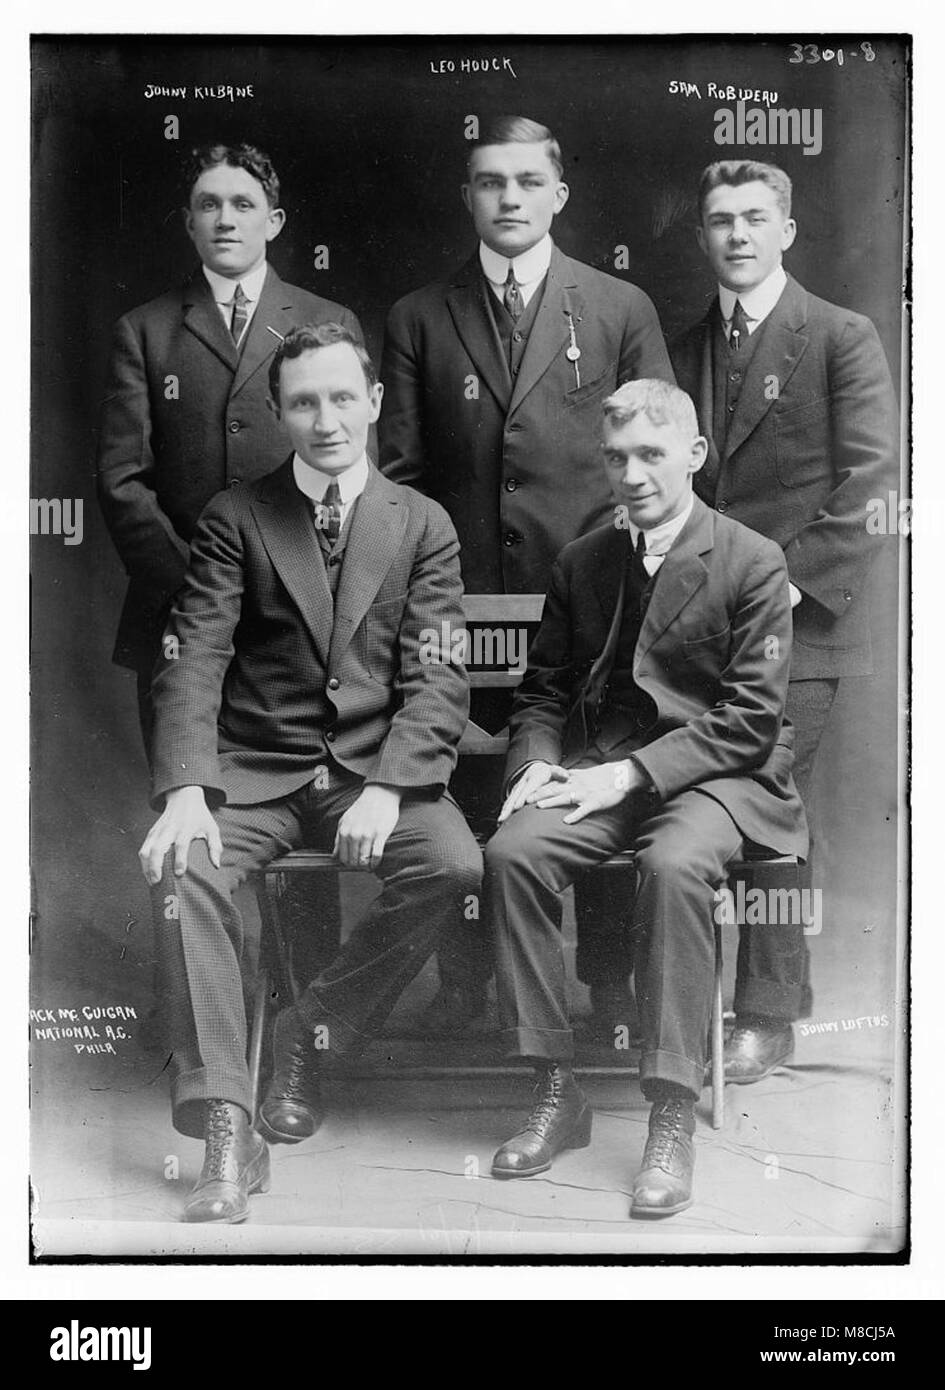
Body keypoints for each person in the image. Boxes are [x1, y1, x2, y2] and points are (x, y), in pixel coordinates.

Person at [137, 324, 481, 1223]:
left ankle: (306, 1035)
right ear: (278, 413)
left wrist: (390, 784)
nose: (324, 420)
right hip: (259, 772)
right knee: (186, 869)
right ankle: (226, 1122)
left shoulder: (422, 524)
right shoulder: (234, 516)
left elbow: (441, 670)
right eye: (302, 402)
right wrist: (185, 790)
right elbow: (196, 656)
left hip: (375, 772)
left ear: (371, 403)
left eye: (341, 398)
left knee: (450, 864)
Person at [483, 380, 807, 1217]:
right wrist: (531, 767)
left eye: (651, 455)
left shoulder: (751, 559)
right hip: (603, 772)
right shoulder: (583, 561)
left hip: (717, 779)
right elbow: (542, 692)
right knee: (512, 853)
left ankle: (670, 1111)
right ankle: (556, 1088)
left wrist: (624, 776)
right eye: (617, 456)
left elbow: (750, 720)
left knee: (670, 866)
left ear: (693, 457)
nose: (631, 475)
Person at [380, 115, 675, 1030]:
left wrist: (628, 578)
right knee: (465, 780)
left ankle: (613, 988)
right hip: (456, 598)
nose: (508, 197)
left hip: (593, 597)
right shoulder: (419, 316)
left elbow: (657, 458)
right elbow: (394, 472)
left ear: (558, 194)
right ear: (468, 196)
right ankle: (466, 988)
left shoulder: (619, 307)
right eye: (488, 181)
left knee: (590, 766)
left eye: (525, 181)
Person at [670, 160, 899, 1082]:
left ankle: (765, 1011)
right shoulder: (685, 346)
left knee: (767, 803)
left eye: (754, 218)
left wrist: (779, 588)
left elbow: (873, 483)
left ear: (787, 231)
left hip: (799, 624)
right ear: (701, 234)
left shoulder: (842, 336)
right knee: (697, 802)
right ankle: (680, 999)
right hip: (693, 624)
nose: (736, 234)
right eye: (719, 218)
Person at [97, 141, 367, 755]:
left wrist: (305, 578)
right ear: (189, 221)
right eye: (209, 205)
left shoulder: (329, 319)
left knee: (302, 793)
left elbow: (348, 466)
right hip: (179, 607)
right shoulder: (144, 330)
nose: (226, 219)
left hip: (302, 607)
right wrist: (197, 584)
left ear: (273, 220)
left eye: (243, 204)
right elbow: (122, 481)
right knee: (187, 804)